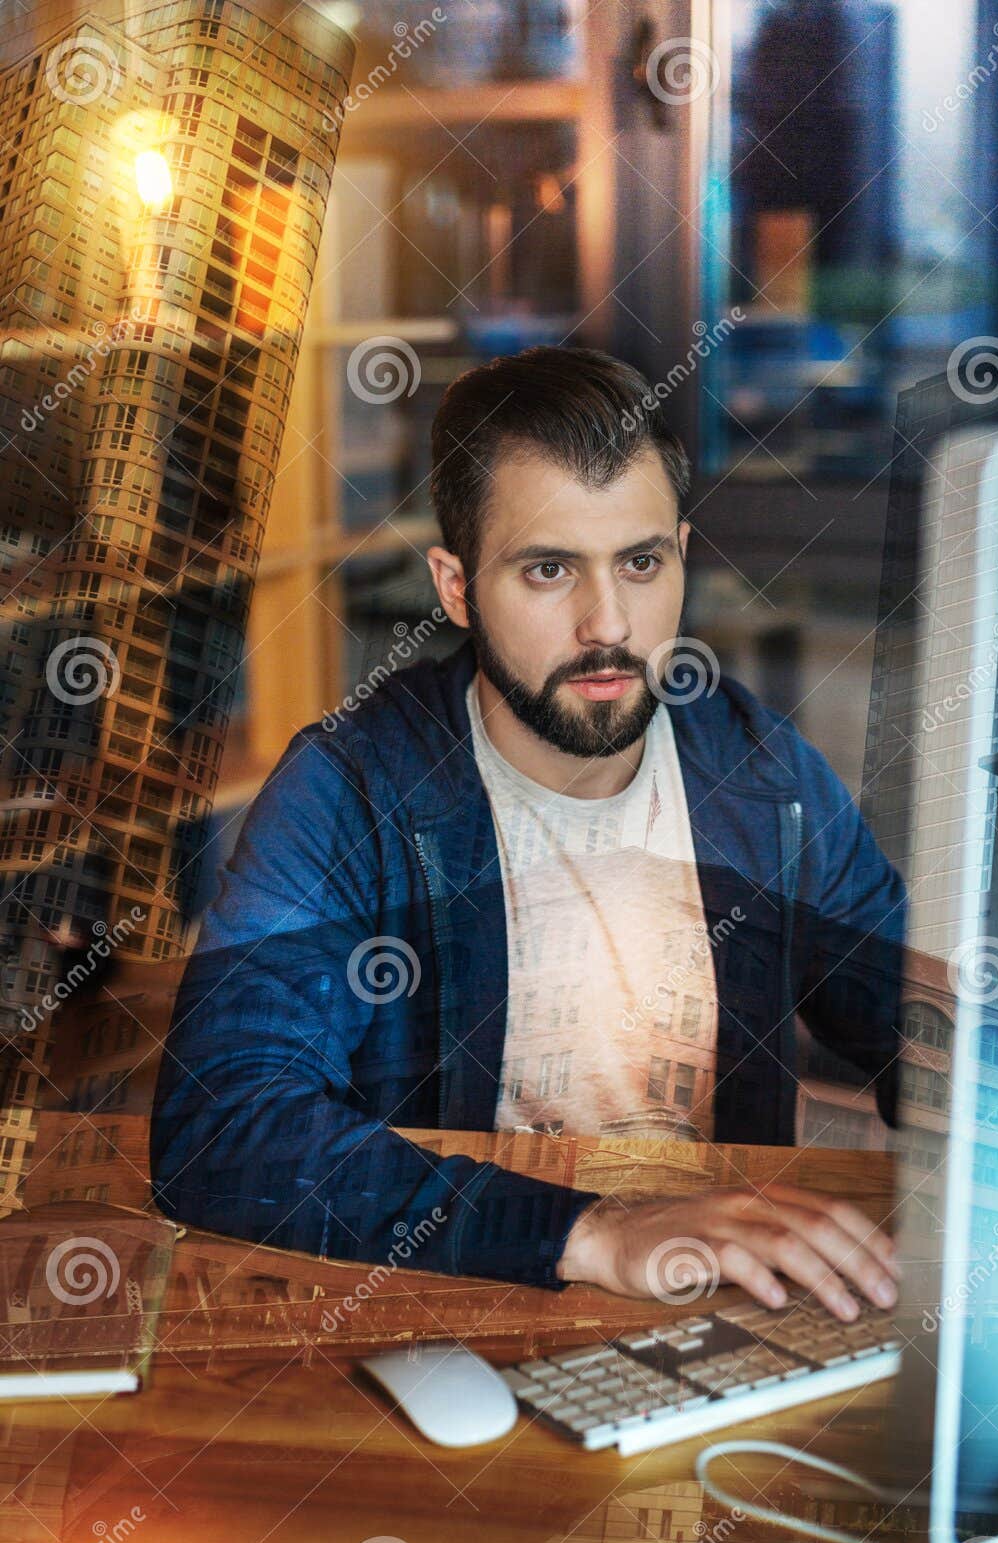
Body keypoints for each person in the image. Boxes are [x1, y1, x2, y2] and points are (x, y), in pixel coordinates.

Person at [151, 346, 904, 1321]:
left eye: (640, 563)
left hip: (723, 1314)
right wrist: (590, 1232)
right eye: (548, 569)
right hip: (459, 1306)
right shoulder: (352, 786)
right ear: (455, 587)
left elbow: (922, 1040)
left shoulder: (761, 777)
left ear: (679, 551)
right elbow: (220, 1126)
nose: (608, 623)